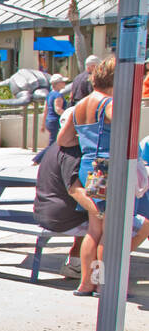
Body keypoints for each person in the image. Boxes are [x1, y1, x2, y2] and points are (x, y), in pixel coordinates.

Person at [56, 56, 149, 295]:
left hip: (91, 168)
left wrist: (88, 140)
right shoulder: (109, 103)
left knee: (94, 230)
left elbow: (64, 140)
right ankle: (106, 285)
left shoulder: (80, 105)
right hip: (110, 168)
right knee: (111, 231)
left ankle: (88, 282)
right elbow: (126, 129)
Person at [32, 124, 94, 279]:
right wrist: (100, 212)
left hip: (43, 211)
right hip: (60, 218)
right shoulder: (72, 152)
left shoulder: (54, 147)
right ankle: (96, 277)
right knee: (105, 228)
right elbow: (75, 190)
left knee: (88, 216)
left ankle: (76, 265)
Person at [44, 74, 67, 146]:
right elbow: (57, 109)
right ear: (57, 84)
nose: (64, 83)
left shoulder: (49, 94)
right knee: (53, 142)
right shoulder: (58, 95)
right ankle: (45, 155)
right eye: (62, 82)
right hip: (55, 121)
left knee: (52, 140)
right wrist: (68, 114)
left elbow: (45, 109)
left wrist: (43, 123)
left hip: (49, 120)